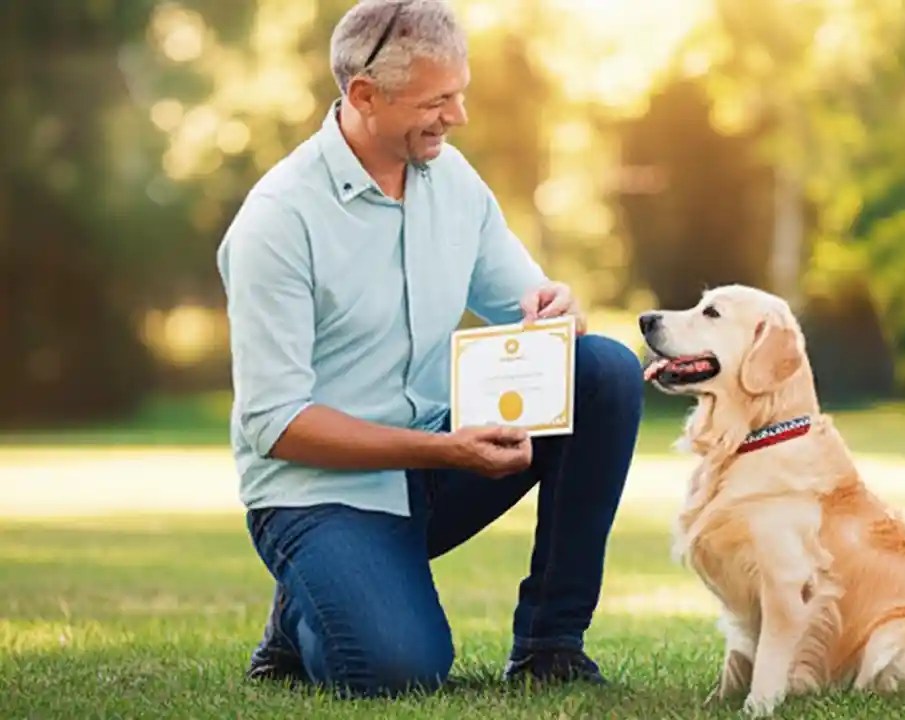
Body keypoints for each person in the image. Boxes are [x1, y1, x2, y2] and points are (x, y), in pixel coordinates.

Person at [214, 0, 642, 698]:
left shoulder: (451, 178)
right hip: (320, 493)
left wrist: (556, 309)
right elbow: (276, 424)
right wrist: (444, 452)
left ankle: (549, 646)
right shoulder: (279, 222)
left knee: (602, 373)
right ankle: (302, 613)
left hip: (437, 467)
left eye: (460, 93)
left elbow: (526, 305)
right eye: (438, 100)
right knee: (398, 671)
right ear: (364, 96)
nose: (459, 116)